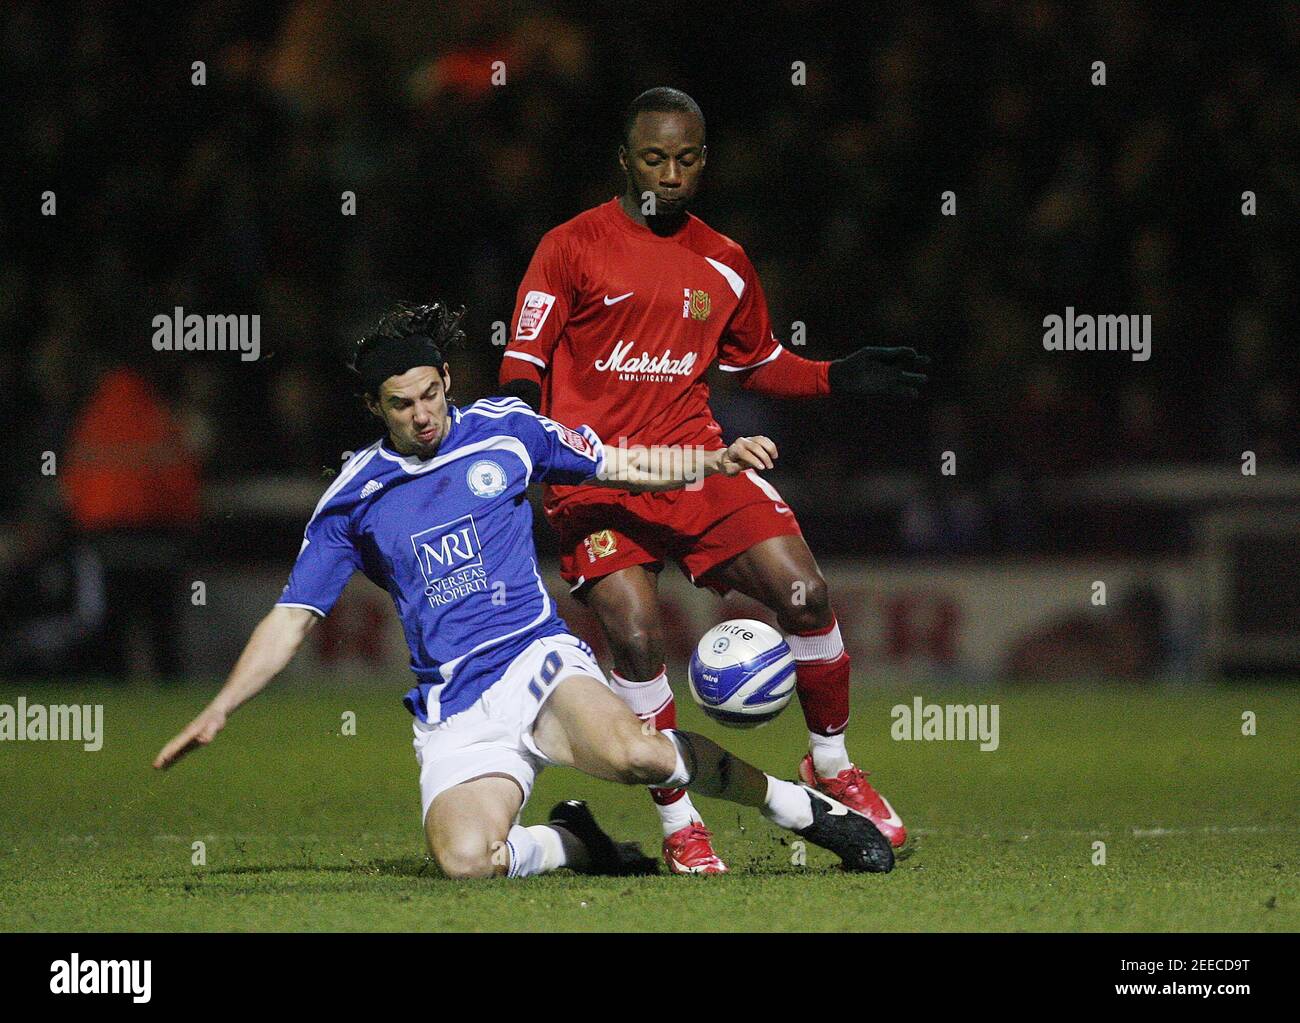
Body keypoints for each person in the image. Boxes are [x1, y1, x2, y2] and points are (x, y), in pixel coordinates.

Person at [153, 301, 895, 879]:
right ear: (374, 410)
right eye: (401, 404)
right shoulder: (354, 498)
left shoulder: (506, 430)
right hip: (453, 705)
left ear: (446, 378)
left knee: (637, 753)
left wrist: (714, 458)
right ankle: (578, 843)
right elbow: (293, 616)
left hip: (535, 662)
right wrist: (222, 706)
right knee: (465, 860)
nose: (423, 414)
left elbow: (619, 464)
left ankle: (807, 811)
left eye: (430, 393)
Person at [498, 87, 928, 872]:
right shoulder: (568, 247)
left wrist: (837, 375)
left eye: (686, 159)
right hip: (596, 478)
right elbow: (522, 368)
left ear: (705, 162)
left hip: (698, 461)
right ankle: (680, 820)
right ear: (625, 159)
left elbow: (757, 360)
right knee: (633, 632)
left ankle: (831, 764)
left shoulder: (723, 260)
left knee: (805, 593)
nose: (669, 173)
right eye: (654, 158)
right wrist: (521, 451)